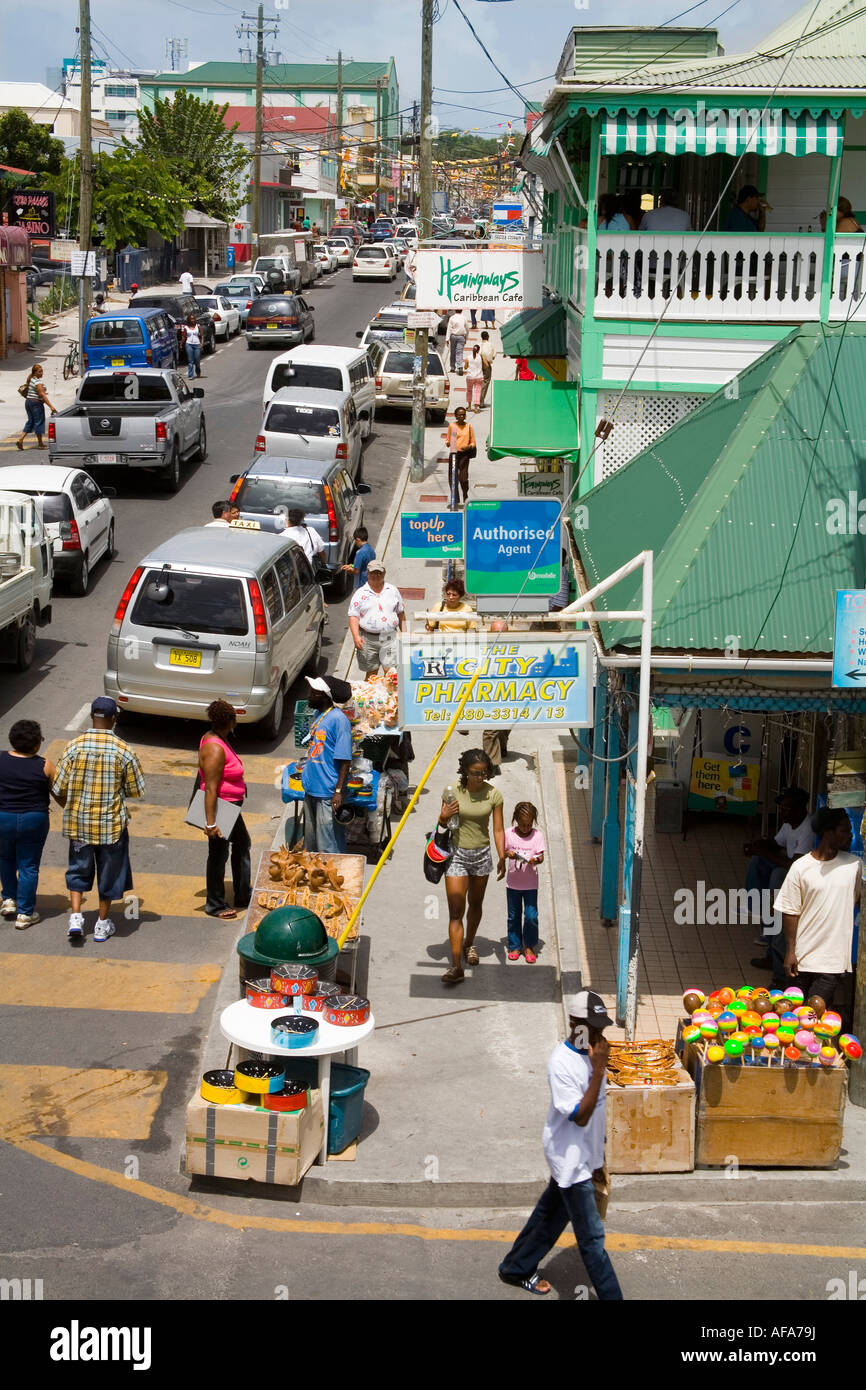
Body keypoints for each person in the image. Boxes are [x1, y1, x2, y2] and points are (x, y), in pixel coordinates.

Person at [498, 991, 622, 1299]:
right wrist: (598, 1072)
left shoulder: (592, 1054)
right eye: (592, 1027)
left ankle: (516, 1267)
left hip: (583, 1156)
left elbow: (597, 1113)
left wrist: (599, 1156)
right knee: (592, 1241)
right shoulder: (562, 1064)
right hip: (569, 1160)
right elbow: (580, 1117)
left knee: (550, 1215)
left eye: (601, 1027)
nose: (599, 1033)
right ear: (573, 1023)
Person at [52, 697, 145, 943]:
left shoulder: (74, 746)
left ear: (92, 717)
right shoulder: (123, 749)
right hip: (111, 826)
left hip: (79, 825)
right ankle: (102, 924)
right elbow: (137, 790)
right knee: (109, 874)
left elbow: (58, 786)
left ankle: (76, 918)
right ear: (114, 718)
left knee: (78, 870)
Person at [772, 806, 861, 1009]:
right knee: (794, 1017)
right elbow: (790, 912)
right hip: (802, 960)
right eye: (845, 831)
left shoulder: (855, 866)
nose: (850, 836)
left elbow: (858, 900)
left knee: (814, 1012)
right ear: (828, 832)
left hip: (833, 962)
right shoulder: (801, 868)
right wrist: (790, 952)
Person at [439, 748, 505, 984]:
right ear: (465, 771)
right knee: (456, 911)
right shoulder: (452, 791)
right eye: (475, 773)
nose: (480, 777)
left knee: (475, 904)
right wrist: (443, 816)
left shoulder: (494, 795)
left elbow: (498, 829)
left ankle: (469, 943)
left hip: (482, 856)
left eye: (484, 773)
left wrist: (502, 855)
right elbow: (444, 824)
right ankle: (456, 966)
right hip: (456, 855)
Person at [746, 786, 812, 982]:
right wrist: (759, 845)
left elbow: (796, 866)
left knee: (776, 874)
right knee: (757, 861)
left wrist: (767, 853)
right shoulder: (789, 823)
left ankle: (771, 927)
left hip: (800, 879)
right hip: (788, 874)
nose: (782, 813)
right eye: (781, 809)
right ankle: (756, 906)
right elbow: (776, 844)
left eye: (786, 809)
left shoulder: (807, 829)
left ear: (800, 809)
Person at [0, 720, 57, 930]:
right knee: (28, 865)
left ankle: (8, 899)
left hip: (3, 817)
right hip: (34, 819)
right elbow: (60, 794)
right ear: (36, 744)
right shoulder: (45, 765)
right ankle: (25, 913)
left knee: (5, 857)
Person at [197, 700, 251, 920]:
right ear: (230, 721)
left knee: (242, 843)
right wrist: (211, 823)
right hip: (222, 807)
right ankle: (215, 904)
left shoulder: (217, 738)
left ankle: (242, 893)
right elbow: (210, 788)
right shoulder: (215, 748)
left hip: (230, 806)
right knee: (219, 854)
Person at [300, 675, 353, 854]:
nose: (308, 696)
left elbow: (345, 760)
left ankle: (331, 879)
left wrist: (338, 791)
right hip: (311, 787)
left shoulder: (339, 721)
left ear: (324, 696)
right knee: (312, 840)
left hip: (327, 792)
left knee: (328, 844)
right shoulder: (318, 715)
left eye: (313, 693)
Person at [347, 560, 405, 674]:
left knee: (391, 673)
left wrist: (405, 633)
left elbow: (401, 612)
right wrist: (356, 636)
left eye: (379, 573)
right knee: (371, 674)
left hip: (389, 638)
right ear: (367, 574)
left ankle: (389, 692)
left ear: (384, 573)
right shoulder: (360, 593)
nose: (376, 576)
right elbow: (353, 616)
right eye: (373, 573)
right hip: (368, 640)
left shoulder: (393, 590)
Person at [505, 801, 545, 964]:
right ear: (516, 820)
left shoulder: (538, 836)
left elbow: (541, 857)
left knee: (530, 916)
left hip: (530, 885)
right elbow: (504, 851)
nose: (525, 828)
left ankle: (529, 945)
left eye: (529, 825)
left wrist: (536, 859)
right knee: (513, 915)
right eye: (522, 825)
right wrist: (509, 854)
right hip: (513, 883)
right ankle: (515, 945)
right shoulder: (509, 834)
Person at [483, 618, 510, 773]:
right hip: (490, 696)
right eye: (496, 632)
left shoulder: (517, 647)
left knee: (505, 726)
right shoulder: (484, 648)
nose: (499, 636)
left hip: (510, 695)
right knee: (490, 730)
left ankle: (502, 748)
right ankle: (492, 763)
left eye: (502, 632)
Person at [16, 364, 56, 451]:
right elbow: (42, 394)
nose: (42, 373)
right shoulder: (37, 381)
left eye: (42, 371)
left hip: (29, 402)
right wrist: (51, 407)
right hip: (36, 404)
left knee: (30, 421)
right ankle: (41, 444)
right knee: (39, 422)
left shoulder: (32, 379)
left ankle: (20, 439)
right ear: (35, 372)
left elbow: (38, 392)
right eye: (39, 371)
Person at [442, 405, 476, 508]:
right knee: (453, 478)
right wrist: (448, 443)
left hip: (464, 455)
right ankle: (455, 499)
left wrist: (468, 447)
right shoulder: (452, 426)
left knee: (463, 479)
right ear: (456, 416)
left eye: (463, 415)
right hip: (454, 454)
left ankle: (465, 495)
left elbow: (473, 442)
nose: (462, 416)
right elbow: (448, 439)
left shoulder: (469, 427)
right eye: (460, 415)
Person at [445, 307, 468, 374]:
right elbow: (467, 329)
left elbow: (449, 328)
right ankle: (460, 366)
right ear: (462, 310)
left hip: (453, 336)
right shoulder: (464, 318)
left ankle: (452, 367)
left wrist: (447, 338)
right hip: (461, 337)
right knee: (459, 352)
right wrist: (466, 338)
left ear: (455, 310)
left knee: (452, 352)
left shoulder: (452, 317)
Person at [465, 342, 484, 412]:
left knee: (469, 391)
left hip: (470, 377)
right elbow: (486, 364)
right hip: (479, 377)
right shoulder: (481, 357)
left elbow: (466, 367)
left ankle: (469, 406)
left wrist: (467, 364)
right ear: (478, 350)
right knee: (477, 392)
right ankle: (476, 408)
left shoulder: (468, 357)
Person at [478, 330, 496, 408]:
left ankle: (477, 400)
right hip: (487, 364)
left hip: (478, 364)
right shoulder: (490, 345)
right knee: (485, 381)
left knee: (479, 382)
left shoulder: (478, 344)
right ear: (488, 337)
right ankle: (481, 401)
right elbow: (494, 355)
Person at [184, 313, 202, 380]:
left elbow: (202, 336)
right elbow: (184, 337)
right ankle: (190, 375)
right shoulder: (186, 327)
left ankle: (198, 372)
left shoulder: (198, 326)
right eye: (191, 319)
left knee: (197, 361)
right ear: (189, 320)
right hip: (189, 344)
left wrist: (202, 343)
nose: (192, 320)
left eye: (193, 318)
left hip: (197, 345)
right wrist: (181, 344)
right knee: (190, 361)